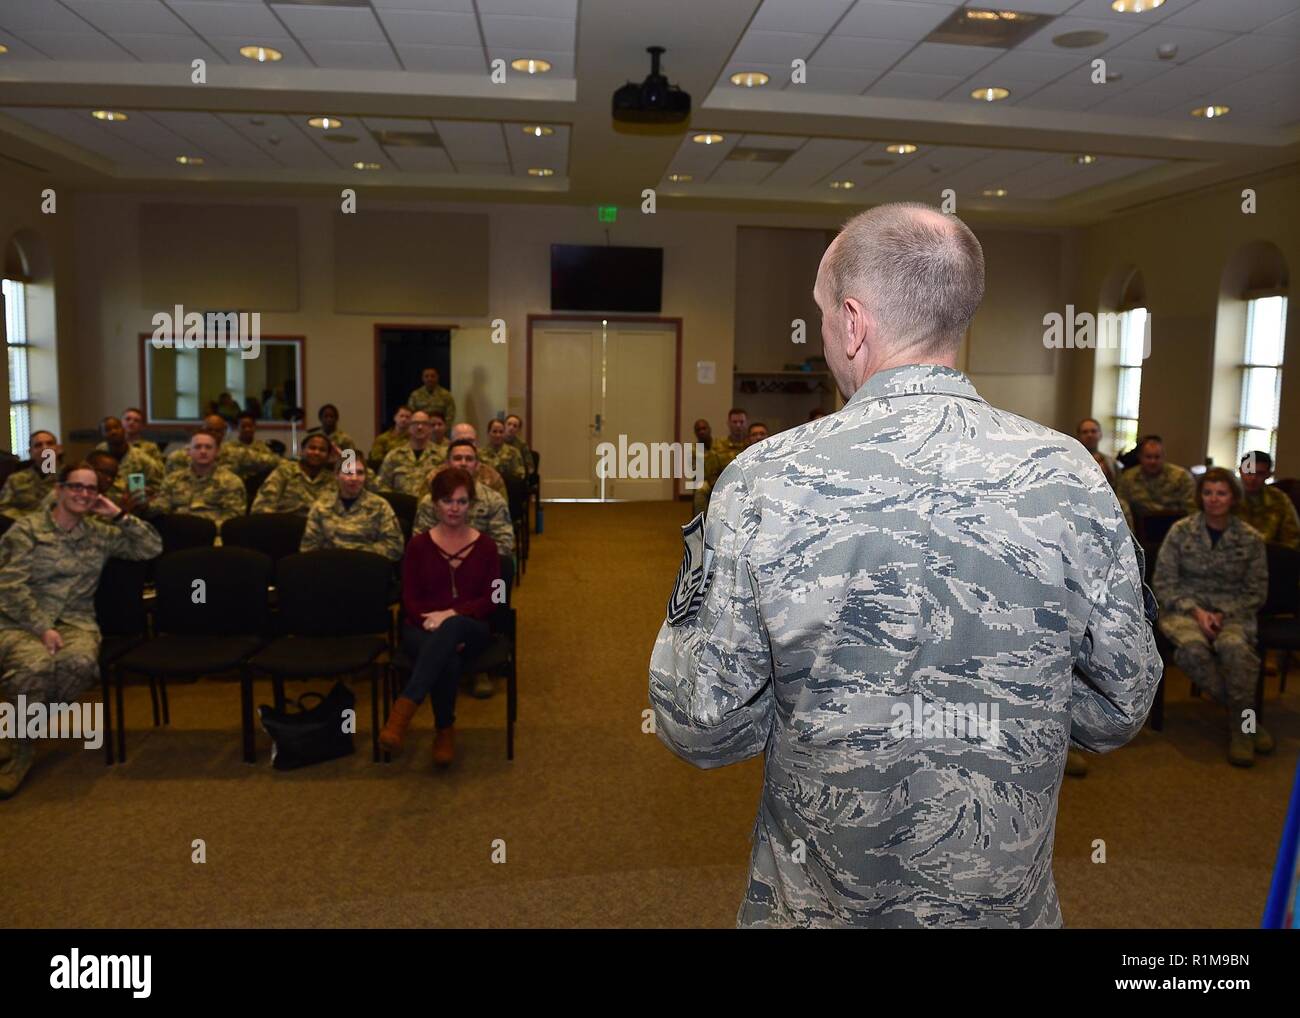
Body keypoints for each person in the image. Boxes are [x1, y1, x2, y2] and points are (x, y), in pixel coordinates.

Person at [649, 202, 1161, 928]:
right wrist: (1010, 701)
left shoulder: (765, 480)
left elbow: (698, 722)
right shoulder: (1071, 478)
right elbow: (1122, 703)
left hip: (819, 907)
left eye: (823, 313)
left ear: (853, 322)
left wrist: (816, 704)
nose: (825, 330)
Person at [0, 462, 162, 798]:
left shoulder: (99, 533)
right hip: (20, 622)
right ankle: (22, 753)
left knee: (81, 664)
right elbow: (9, 588)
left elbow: (151, 548)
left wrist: (118, 515)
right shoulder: (26, 530)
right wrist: (42, 628)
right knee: (36, 666)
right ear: (58, 489)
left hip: (75, 623)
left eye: (92, 489)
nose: (84, 494)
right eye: (76, 486)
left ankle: (16, 732)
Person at [379, 467, 499, 767]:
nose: (454, 508)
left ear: (471, 504)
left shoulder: (487, 547)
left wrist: (452, 615)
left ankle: (402, 713)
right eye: (447, 501)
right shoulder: (418, 545)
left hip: (472, 628)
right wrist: (432, 625)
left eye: (461, 501)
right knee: (448, 656)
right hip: (422, 627)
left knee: (455, 625)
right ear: (435, 504)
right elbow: (409, 599)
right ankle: (445, 730)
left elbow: (495, 598)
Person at [1155, 467, 1269, 766]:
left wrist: (1221, 614)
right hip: (1184, 610)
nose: (1213, 499)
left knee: (1235, 650)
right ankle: (1245, 719)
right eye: (1207, 493)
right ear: (1199, 496)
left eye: (1221, 493)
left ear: (1233, 498)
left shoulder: (1250, 538)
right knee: (1192, 651)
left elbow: (1256, 591)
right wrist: (1197, 612)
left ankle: (1243, 731)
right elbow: (1164, 583)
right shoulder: (1181, 531)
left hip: (1233, 613)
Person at [416, 439, 515, 554]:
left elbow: (504, 543)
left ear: (477, 465)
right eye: (457, 458)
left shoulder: (493, 500)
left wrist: (466, 560)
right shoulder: (431, 500)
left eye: (469, 459)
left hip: (480, 564)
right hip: (437, 564)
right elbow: (421, 542)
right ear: (447, 463)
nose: (463, 463)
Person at [300, 458, 404, 561]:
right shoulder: (321, 506)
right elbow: (308, 547)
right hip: (330, 567)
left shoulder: (380, 506)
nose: (354, 478)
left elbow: (395, 547)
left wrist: (356, 555)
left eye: (360, 473)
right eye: (348, 473)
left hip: (367, 566)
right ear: (336, 475)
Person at [156, 431, 246, 525]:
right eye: (197, 447)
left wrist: (203, 529)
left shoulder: (231, 482)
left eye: (208, 447)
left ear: (217, 451)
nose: (203, 451)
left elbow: (234, 518)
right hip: (178, 531)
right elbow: (162, 510)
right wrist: (144, 505)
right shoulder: (173, 479)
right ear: (189, 451)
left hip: (214, 535)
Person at [250, 433, 334, 516]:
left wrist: (341, 459)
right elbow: (261, 507)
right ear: (302, 451)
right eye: (312, 448)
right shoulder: (285, 471)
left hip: (318, 527)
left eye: (322, 450)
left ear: (328, 456)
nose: (316, 453)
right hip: (285, 525)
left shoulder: (331, 479)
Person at [1117, 436, 1197, 516]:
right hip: (1138, 525)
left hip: (1174, 524)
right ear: (1140, 457)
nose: (1153, 461)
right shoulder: (1128, 477)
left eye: (1157, 457)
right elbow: (1120, 507)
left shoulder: (1181, 477)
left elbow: (1192, 510)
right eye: (1148, 457)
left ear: (1163, 457)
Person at [1238, 451, 1299, 550]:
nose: (1253, 478)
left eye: (1260, 473)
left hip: (1270, 557)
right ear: (1240, 471)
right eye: (1249, 472)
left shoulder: (1279, 499)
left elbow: (1292, 539)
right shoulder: (1226, 496)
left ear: (1269, 474)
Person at [99, 416, 163, 507]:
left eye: (116, 428)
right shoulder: (97, 456)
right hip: (103, 507)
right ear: (102, 434)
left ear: (123, 429)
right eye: (107, 429)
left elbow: (158, 487)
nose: (113, 432)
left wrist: (146, 493)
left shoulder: (142, 459)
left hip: (135, 508)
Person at [378, 411, 444, 496]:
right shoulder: (394, 456)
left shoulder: (441, 456)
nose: (420, 427)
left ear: (430, 428)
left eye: (424, 424)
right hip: (400, 506)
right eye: (415, 423)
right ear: (409, 427)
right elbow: (382, 485)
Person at [0, 431, 60, 520]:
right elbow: (3, 506)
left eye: (50, 443)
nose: (45, 448)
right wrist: (27, 520)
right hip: (24, 528)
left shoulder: (69, 477)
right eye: (38, 445)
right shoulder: (16, 479)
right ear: (30, 452)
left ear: (58, 449)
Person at [448, 423, 507, 499]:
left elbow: (502, 507)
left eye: (470, 441)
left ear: (476, 443)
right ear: (450, 444)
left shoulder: (492, 477)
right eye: (460, 441)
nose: (466, 445)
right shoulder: (435, 477)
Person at [220, 411, 280, 481]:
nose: (247, 429)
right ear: (237, 427)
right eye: (243, 426)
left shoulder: (262, 447)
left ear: (255, 427)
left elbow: (272, 463)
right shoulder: (229, 447)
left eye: (250, 426)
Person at [94, 407, 163, 466]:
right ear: (121, 422)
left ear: (142, 426)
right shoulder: (103, 447)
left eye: (136, 420)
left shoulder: (150, 447)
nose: (131, 422)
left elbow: (159, 470)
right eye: (127, 419)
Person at [166, 415, 230, 473]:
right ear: (202, 429)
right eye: (209, 430)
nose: (213, 434)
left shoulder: (232, 455)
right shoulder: (179, 457)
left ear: (224, 432)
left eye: (218, 431)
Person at [368, 405, 412, 472]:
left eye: (407, 417)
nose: (404, 419)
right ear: (395, 418)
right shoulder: (382, 439)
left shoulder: (413, 439)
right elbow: (376, 461)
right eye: (401, 416)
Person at [1076, 418, 1118, 487]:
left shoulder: (1110, 463)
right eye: (1085, 432)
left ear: (1100, 435)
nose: (1089, 435)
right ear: (1078, 436)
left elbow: (1117, 486)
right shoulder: (1071, 459)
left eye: (1093, 431)